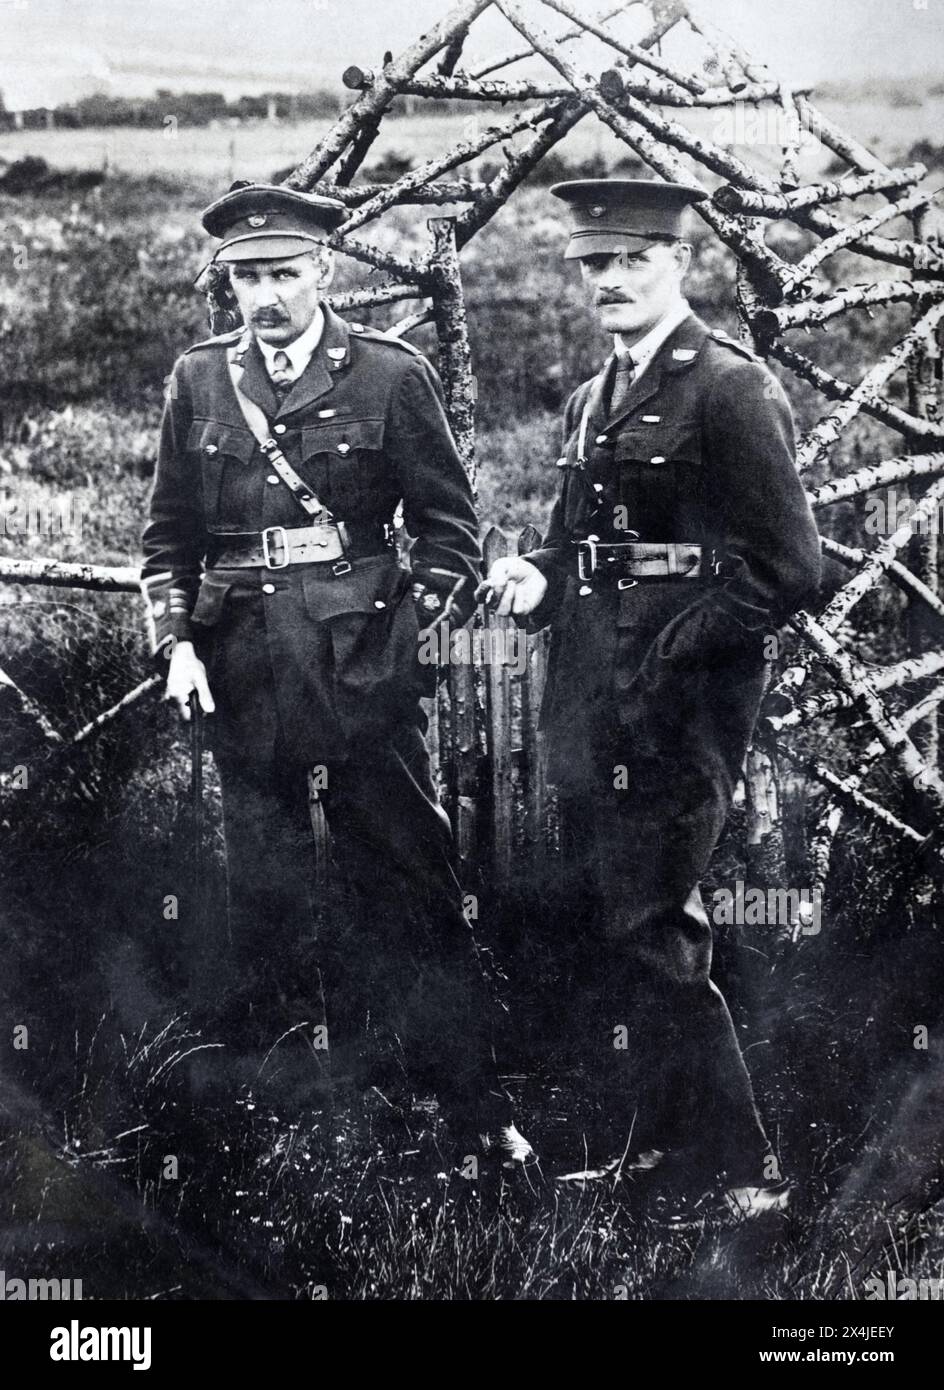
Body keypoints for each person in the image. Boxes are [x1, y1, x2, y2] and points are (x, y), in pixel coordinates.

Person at [141, 181, 530, 1171]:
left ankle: (469, 1111)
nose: (265, 297)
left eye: (282, 273)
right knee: (265, 899)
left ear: (323, 271)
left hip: (360, 677)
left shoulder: (388, 378)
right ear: (225, 281)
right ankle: (289, 1122)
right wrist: (176, 642)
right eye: (246, 278)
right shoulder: (197, 380)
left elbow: (449, 533)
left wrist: (404, 647)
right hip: (241, 673)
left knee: (412, 886)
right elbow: (167, 536)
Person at [480, 179, 821, 1217]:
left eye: (631, 260)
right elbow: (575, 544)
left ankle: (739, 1171)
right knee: (612, 921)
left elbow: (788, 567)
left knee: (651, 924)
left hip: (679, 710)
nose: (610, 282)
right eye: (593, 265)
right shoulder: (595, 396)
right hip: (589, 698)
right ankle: (658, 1150)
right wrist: (539, 580)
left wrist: (678, 647)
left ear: (679, 263)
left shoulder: (726, 387)